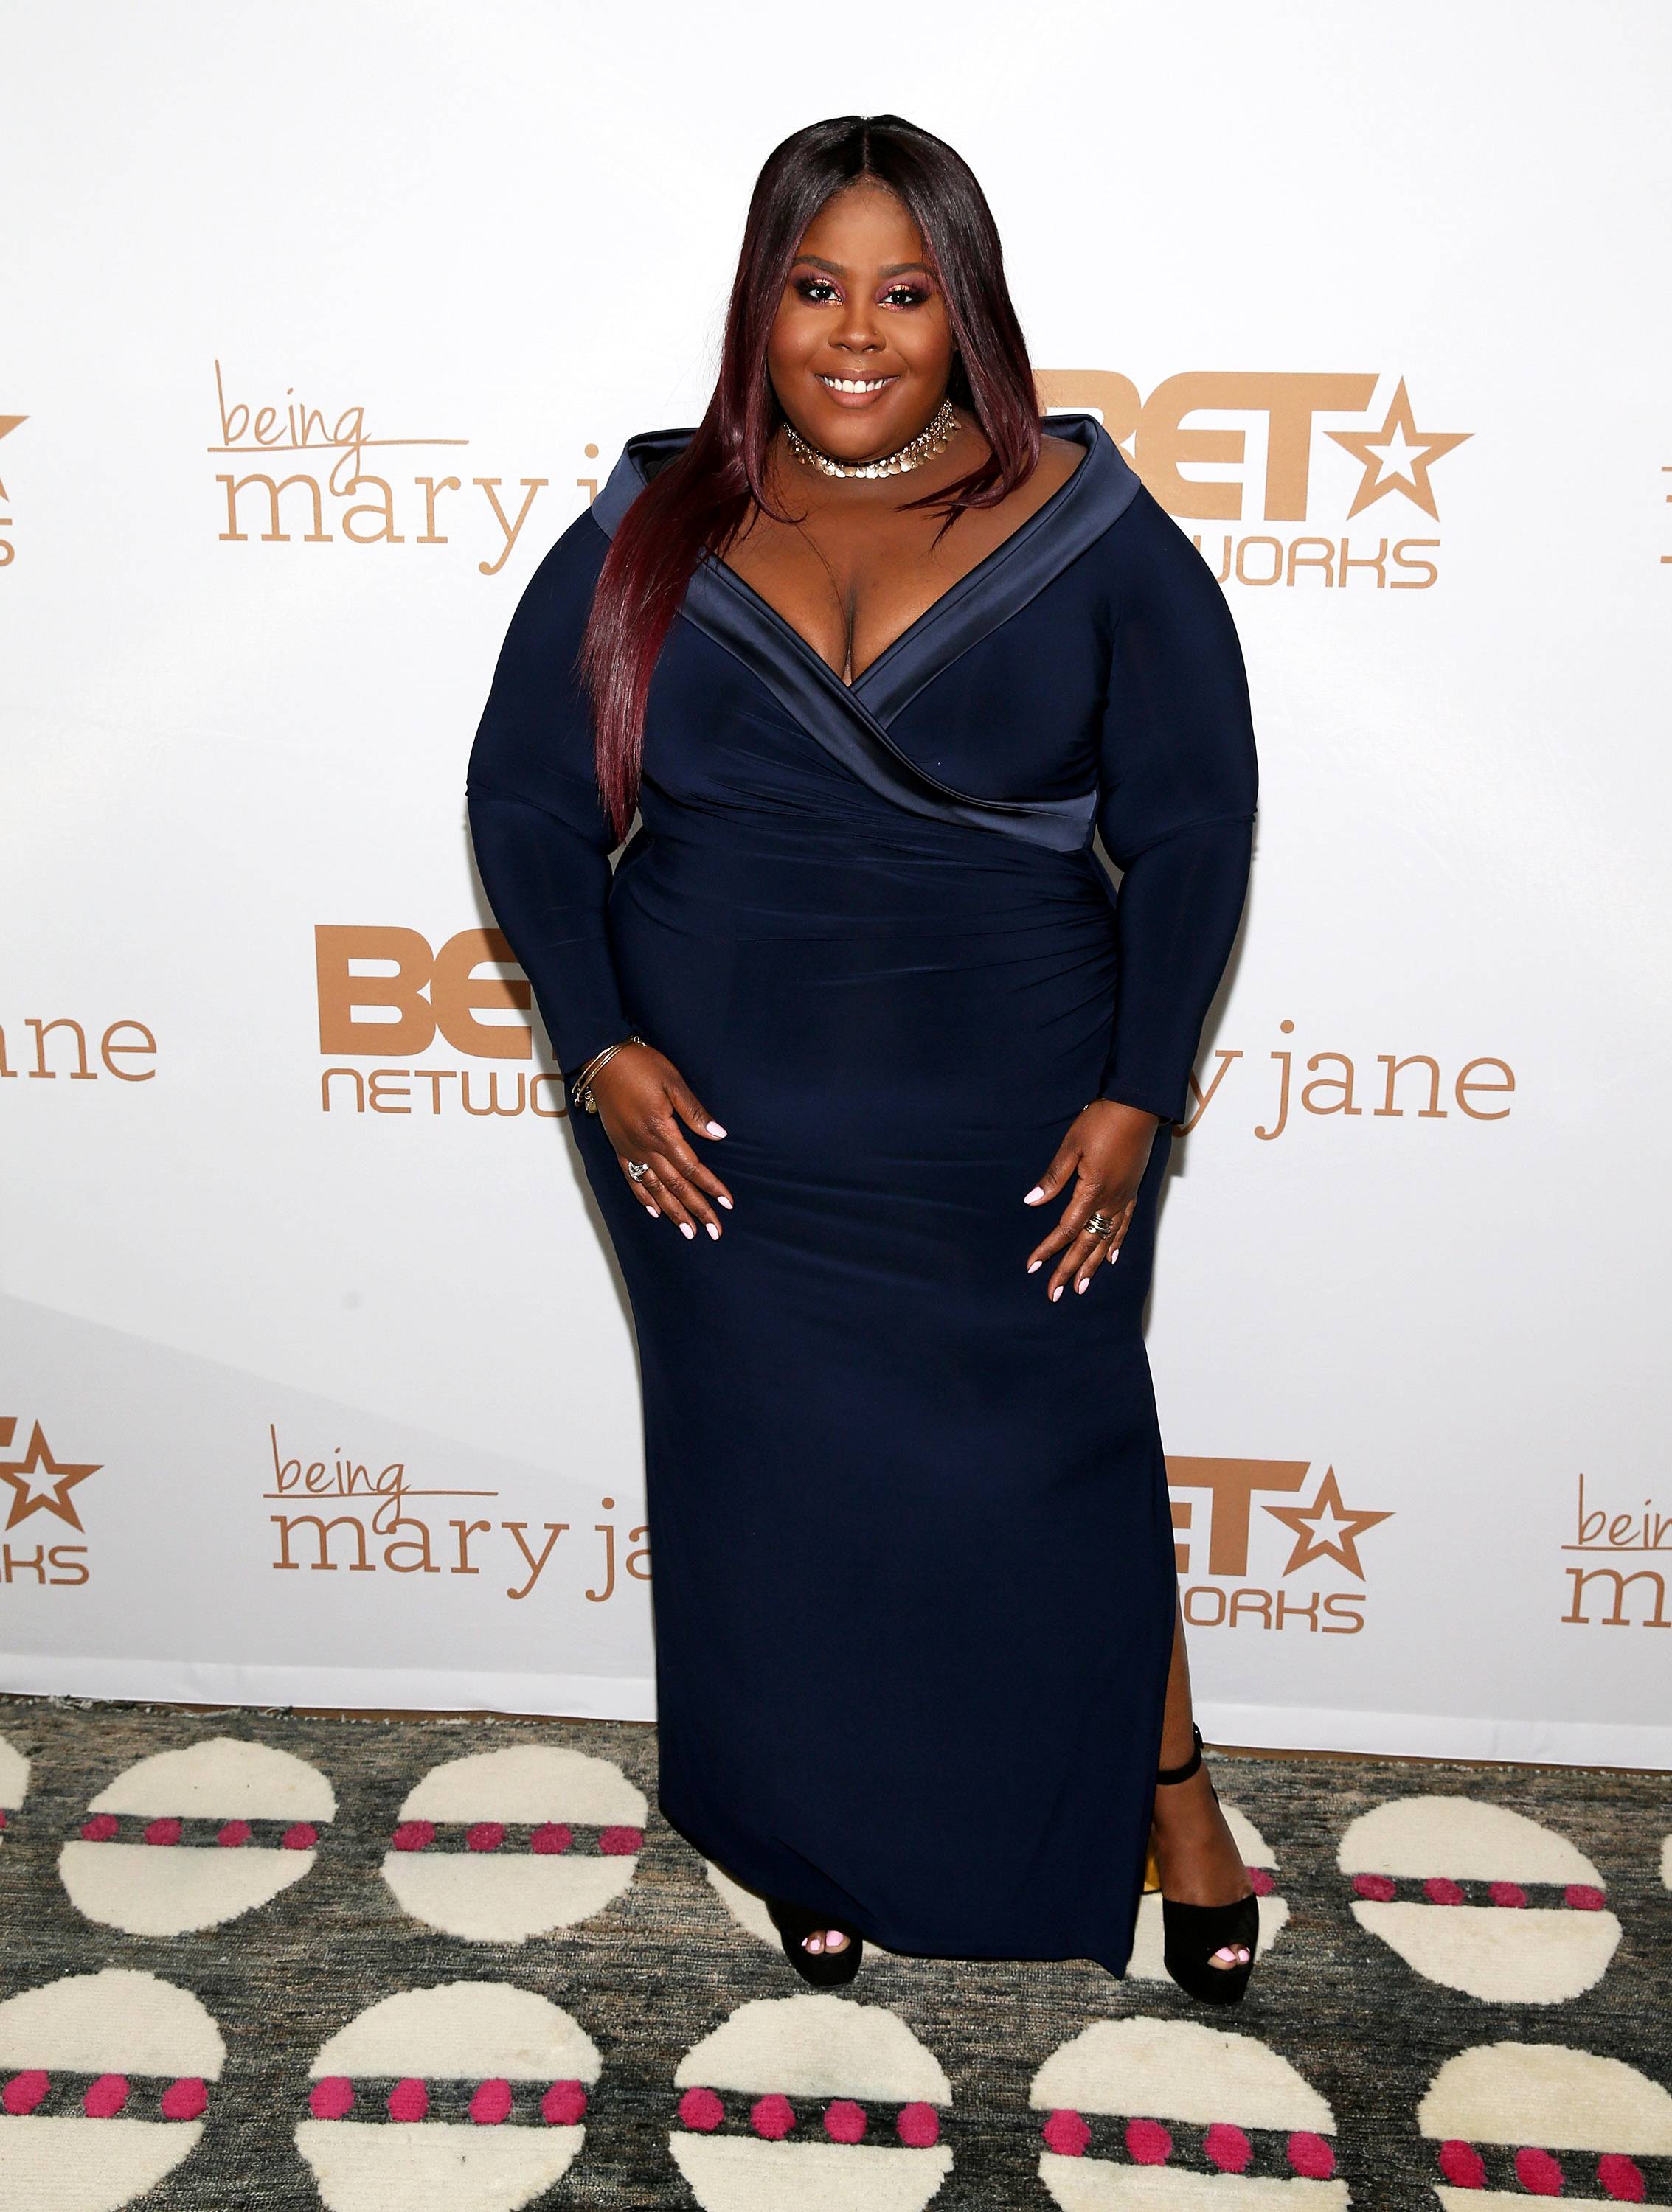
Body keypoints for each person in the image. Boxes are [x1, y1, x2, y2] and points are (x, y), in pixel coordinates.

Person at [467, 114, 1259, 2000]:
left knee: (1057, 1459)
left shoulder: (1085, 522)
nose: (854, 333)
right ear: (763, 303)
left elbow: (1196, 827)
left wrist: (1141, 1090)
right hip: (709, 1133)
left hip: (1028, 1118)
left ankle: (1172, 1797)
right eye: (816, 287)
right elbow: (524, 804)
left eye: (903, 293)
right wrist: (598, 1046)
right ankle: (807, 1825)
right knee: (775, 1485)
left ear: (964, 307)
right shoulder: (649, 523)